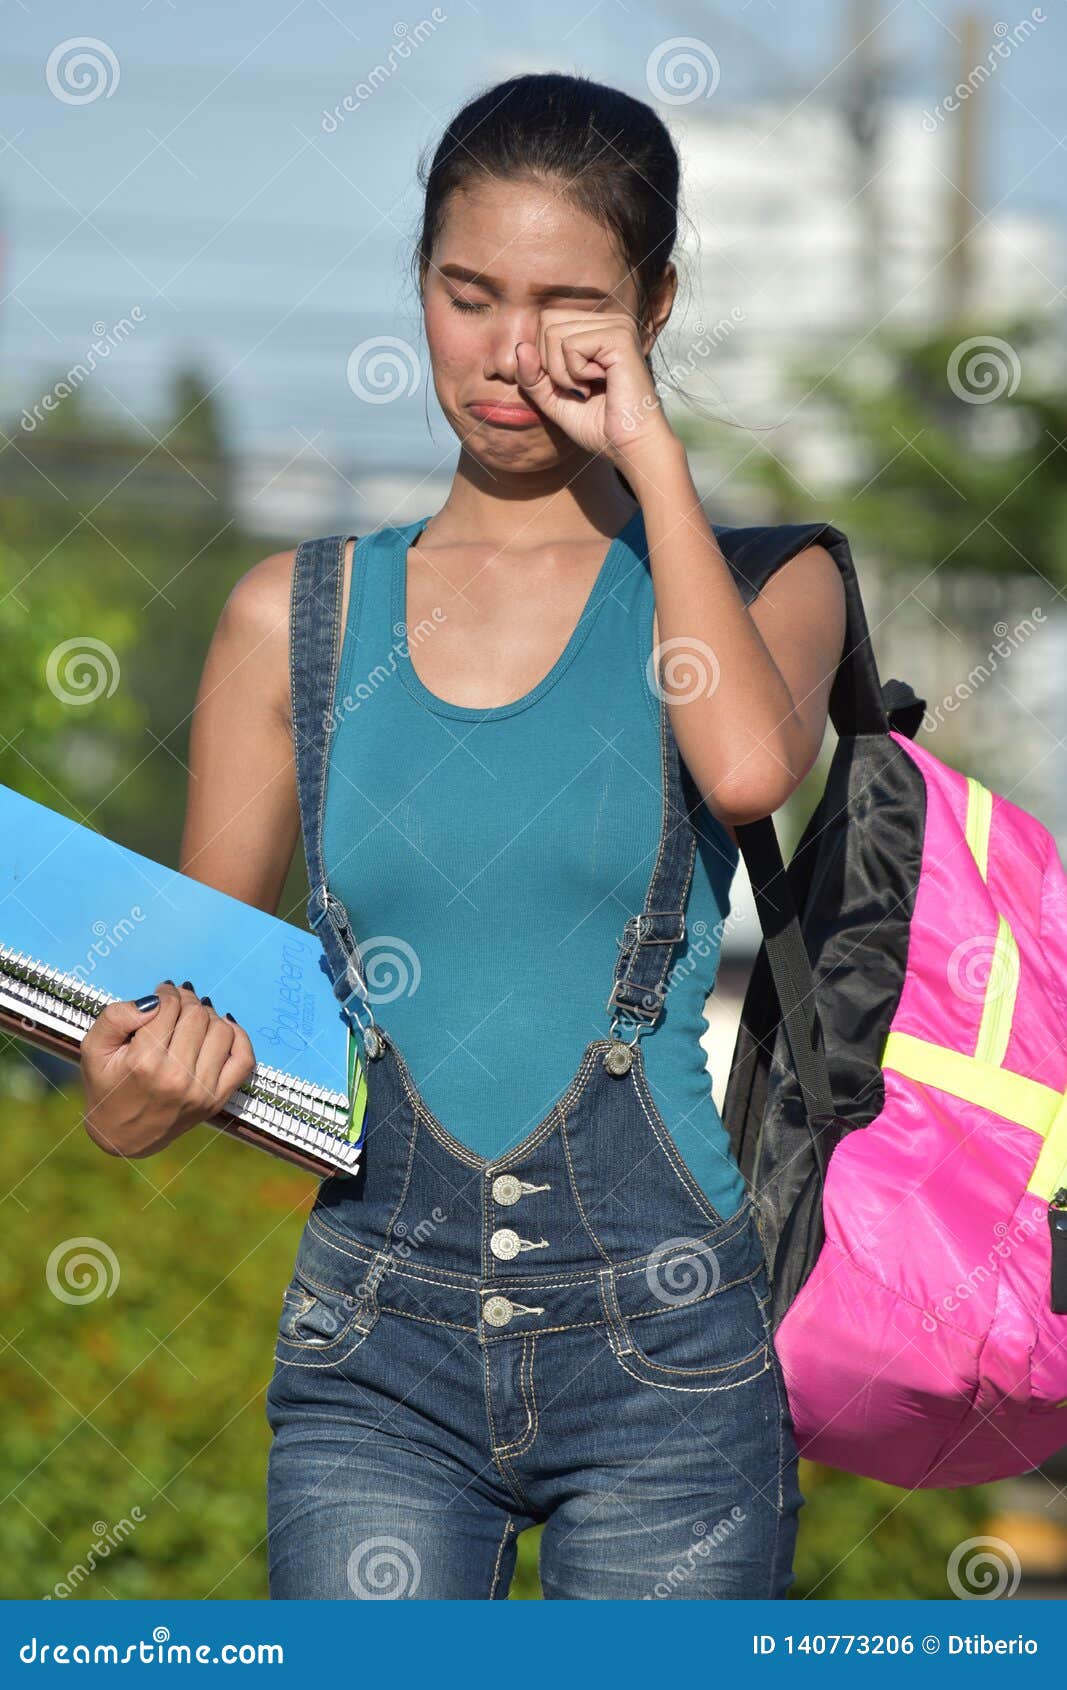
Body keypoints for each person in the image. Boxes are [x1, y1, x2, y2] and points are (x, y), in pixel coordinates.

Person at [80, 70, 846, 1599]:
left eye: (569, 308)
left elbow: (751, 766)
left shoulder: (766, 582)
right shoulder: (295, 619)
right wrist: (135, 1091)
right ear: (418, 286)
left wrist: (658, 464)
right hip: (377, 1349)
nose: (508, 355)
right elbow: (180, 1013)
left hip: (670, 1351)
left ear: (655, 309)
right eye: (466, 293)